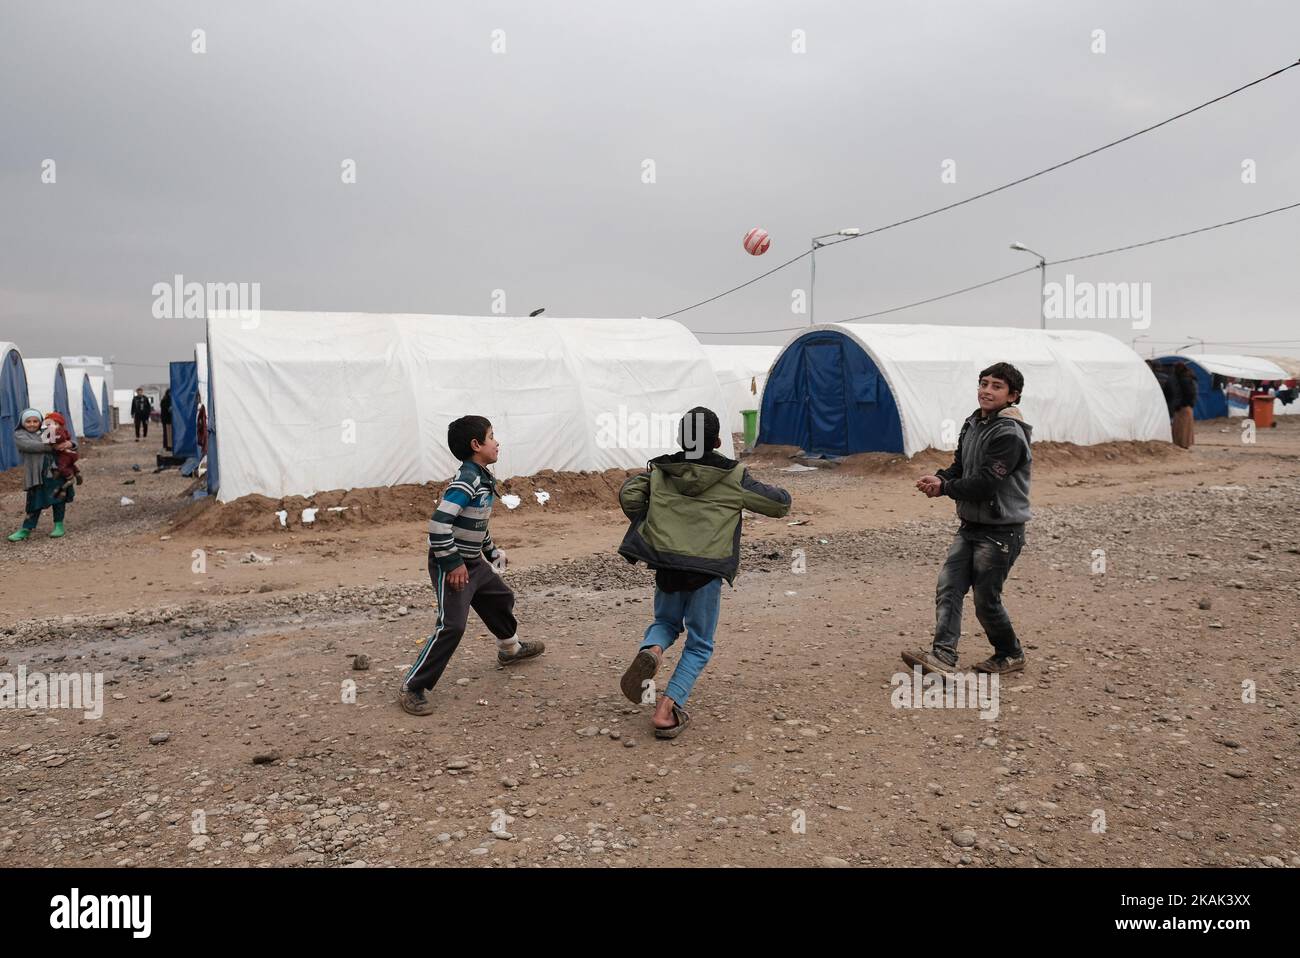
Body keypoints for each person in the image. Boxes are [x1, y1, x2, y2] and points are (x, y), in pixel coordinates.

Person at [616, 407, 791, 738]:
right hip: (706, 571)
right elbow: (779, 505)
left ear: (681, 439)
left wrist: (657, 509)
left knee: (665, 623)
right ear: (718, 441)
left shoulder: (661, 472)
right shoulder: (733, 476)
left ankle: (651, 651)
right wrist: (779, 491)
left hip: (667, 564)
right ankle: (666, 710)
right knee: (699, 643)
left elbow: (629, 495)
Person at [398, 416, 544, 716]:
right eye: (492, 436)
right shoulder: (467, 479)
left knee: (500, 597)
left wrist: (491, 553)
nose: (497, 441)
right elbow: (439, 525)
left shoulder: (482, 477)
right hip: (451, 565)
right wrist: (452, 564)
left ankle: (510, 649)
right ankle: (414, 686)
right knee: (452, 625)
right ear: (476, 445)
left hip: (473, 562)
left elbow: (477, 525)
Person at [906, 362, 1032, 676]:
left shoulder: (1009, 434)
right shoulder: (973, 423)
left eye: (996, 386)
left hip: (1001, 531)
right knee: (949, 587)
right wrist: (939, 479)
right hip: (970, 526)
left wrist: (945, 488)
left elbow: (987, 483)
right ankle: (943, 657)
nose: (987, 391)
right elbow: (961, 468)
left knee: (986, 600)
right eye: (984, 383)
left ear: (1012, 395)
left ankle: (1010, 653)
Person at [8, 408, 76, 541]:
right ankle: (26, 529)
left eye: (35, 421)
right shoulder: (20, 435)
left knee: (58, 498)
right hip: (36, 475)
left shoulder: (48, 430)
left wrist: (70, 443)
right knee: (34, 502)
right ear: (22, 422)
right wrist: (55, 446)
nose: (32, 424)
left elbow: (69, 439)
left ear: (41, 422)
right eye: (28, 421)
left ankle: (58, 525)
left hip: (55, 472)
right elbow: (31, 446)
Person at [40, 412, 81, 498]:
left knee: (62, 467)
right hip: (65, 454)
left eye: (54, 424)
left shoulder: (58, 432)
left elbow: (61, 439)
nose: (51, 426)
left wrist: (70, 443)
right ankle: (76, 472)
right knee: (68, 465)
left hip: (65, 454)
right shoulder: (50, 432)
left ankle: (70, 478)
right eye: (49, 424)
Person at [1171, 363, 1197, 449]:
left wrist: (1180, 404)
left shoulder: (1183, 380)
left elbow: (1188, 394)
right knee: (1185, 427)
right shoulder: (1188, 378)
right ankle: (1184, 444)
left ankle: (1182, 444)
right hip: (1187, 407)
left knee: (1182, 427)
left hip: (1183, 407)